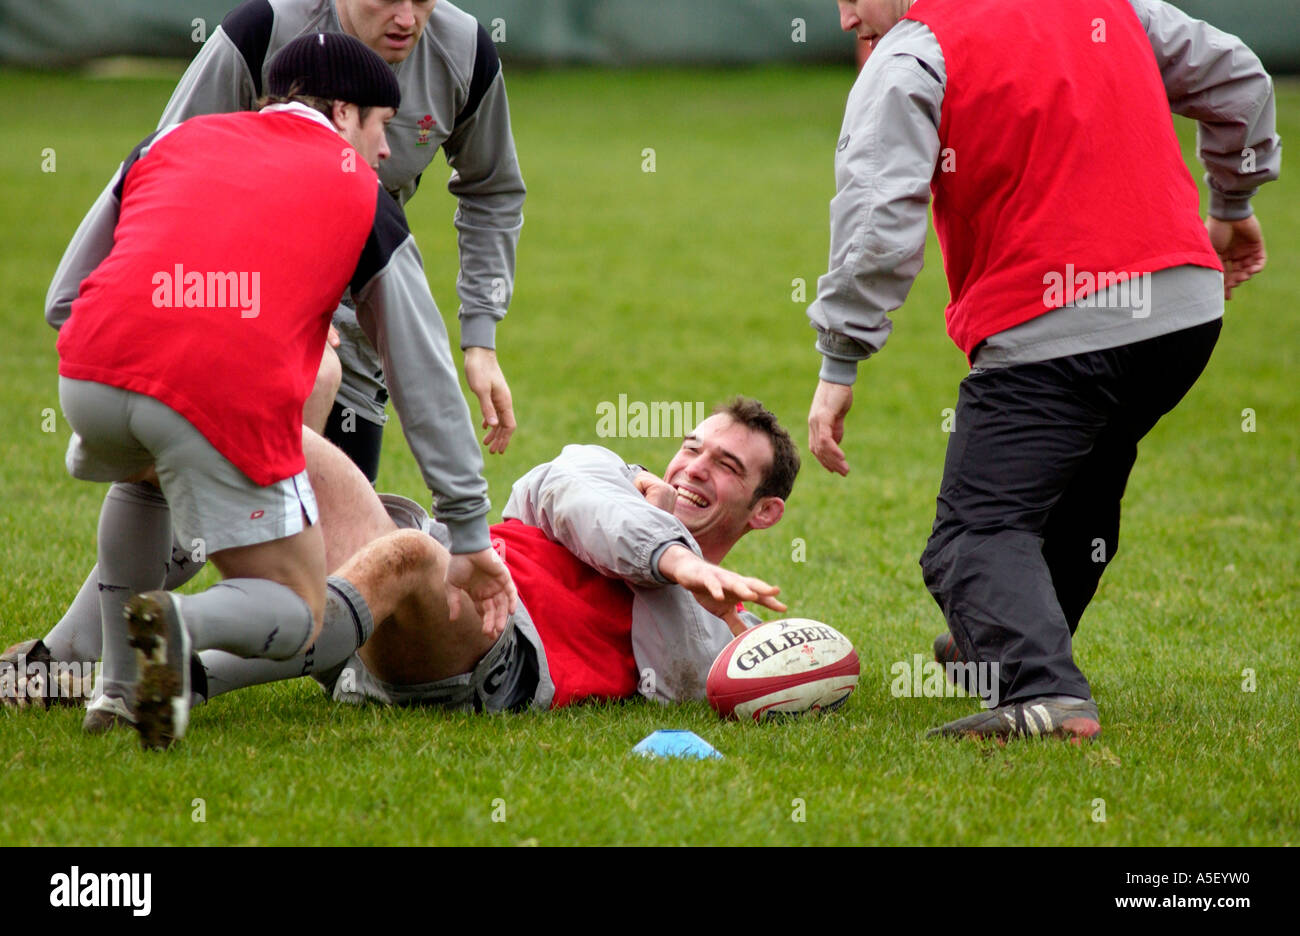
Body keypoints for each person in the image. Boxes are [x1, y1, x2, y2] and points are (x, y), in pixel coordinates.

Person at [805, 0, 1278, 740]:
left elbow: (875, 214)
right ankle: (991, 642)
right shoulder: (1112, 7)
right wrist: (1233, 202)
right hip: (1185, 316)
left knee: (974, 535)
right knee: (1078, 499)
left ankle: (1044, 690)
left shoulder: (914, 50)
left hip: (1057, 325)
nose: (843, 20)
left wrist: (842, 356)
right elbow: (1239, 76)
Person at [25, 0, 527, 680]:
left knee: (176, 478)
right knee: (304, 600)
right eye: (381, 126)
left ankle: (117, 679)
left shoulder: (464, 51)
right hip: (232, 352)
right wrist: (467, 527)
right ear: (346, 113)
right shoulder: (262, 36)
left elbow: (70, 292)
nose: (387, 151)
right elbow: (425, 379)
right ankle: (112, 654)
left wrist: (482, 333)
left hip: (104, 369)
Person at [11, 400, 796, 716]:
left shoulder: (725, 632)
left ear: (766, 513)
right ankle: (65, 662)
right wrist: (677, 559)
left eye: (727, 467)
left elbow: (699, 681)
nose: (696, 466)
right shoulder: (602, 476)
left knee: (413, 558)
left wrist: (706, 593)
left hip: (495, 658)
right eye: (694, 446)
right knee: (254, 439)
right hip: (436, 577)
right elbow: (568, 495)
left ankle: (177, 649)